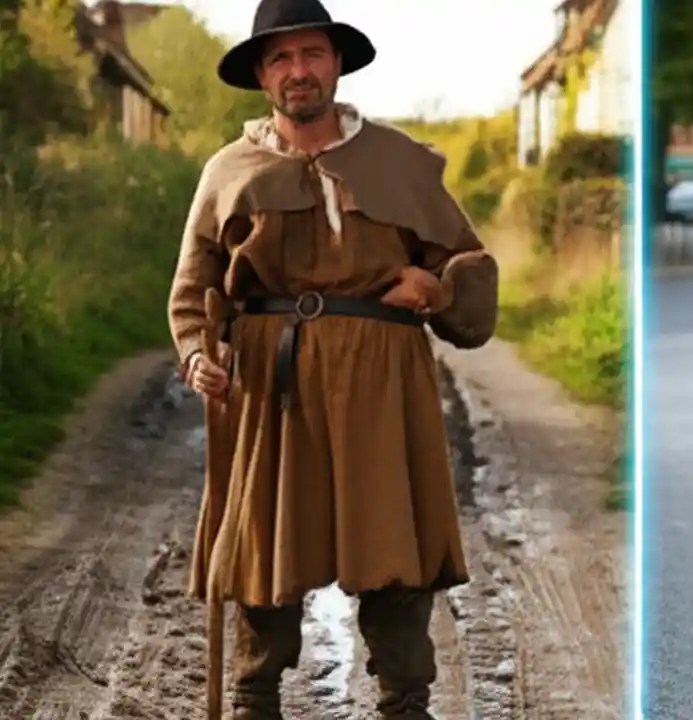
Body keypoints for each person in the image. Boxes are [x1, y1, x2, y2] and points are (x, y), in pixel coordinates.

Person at [166, 0, 498, 718]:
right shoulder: (230, 170)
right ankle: (256, 700)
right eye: (281, 59)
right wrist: (199, 354)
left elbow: (469, 268)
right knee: (263, 554)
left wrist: (437, 287)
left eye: (312, 54)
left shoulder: (399, 162)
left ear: (337, 63)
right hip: (269, 386)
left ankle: (404, 702)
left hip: (382, 384)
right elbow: (194, 289)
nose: (298, 71)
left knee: (395, 555)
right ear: (261, 75)